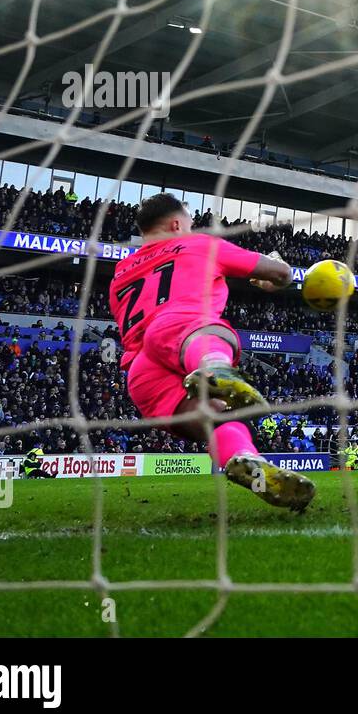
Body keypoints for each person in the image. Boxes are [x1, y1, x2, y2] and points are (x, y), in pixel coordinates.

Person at [108, 193, 314, 510]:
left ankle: (246, 462)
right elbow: (281, 275)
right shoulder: (200, 243)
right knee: (215, 333)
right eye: (189, 224)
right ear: (177, 224)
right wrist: (277, 271)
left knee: (218, 418)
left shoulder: (121, 272)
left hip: (141, 374)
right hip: (180, 328)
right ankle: (215, 368)